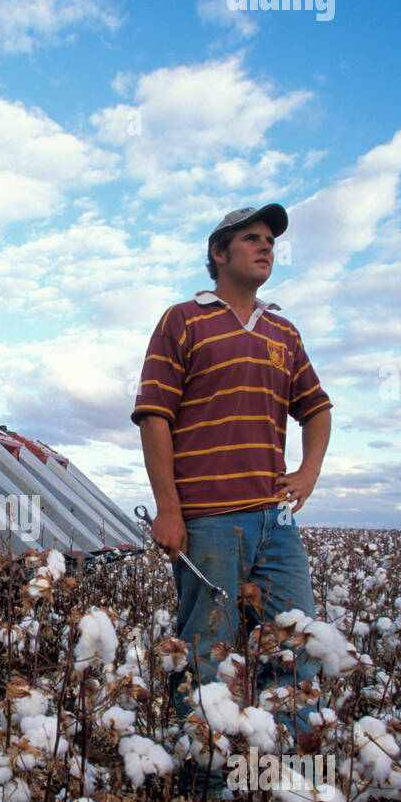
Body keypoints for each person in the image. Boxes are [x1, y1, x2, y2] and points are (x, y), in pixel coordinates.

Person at [131, 204, 332, 765]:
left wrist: (309, 471)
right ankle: (205, 781)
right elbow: (154, 416)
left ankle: (284, 778)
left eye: (270, 240)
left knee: (297, 645)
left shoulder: (283, 332)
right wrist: (168, 510)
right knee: (205, 653)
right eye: (252, 238)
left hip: (276, 522)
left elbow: (316, 409)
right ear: (219, 254)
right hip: (209, 521)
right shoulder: (183, 320)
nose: (266, 246)